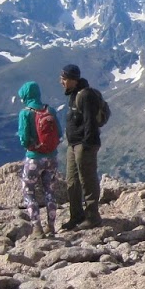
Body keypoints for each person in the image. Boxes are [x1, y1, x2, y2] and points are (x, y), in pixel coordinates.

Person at [58, 63, 105, 229]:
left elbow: (90, 122)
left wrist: (86, 144)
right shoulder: (73, 94)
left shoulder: (85, 96)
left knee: (87, 179)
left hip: (84, 145)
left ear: (73, 80)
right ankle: (76, 215)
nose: (61, 81)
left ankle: (92, 216)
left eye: (63, 78)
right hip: (73, 144)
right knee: (72, 181)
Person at [16, 80, 60, 237]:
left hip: (34, 158)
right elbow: (59, 133)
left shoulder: (26, 113)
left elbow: (23, 138)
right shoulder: (50, 110)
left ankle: (37, 227)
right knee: (50, 191)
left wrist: (31, 145)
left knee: (28, 190)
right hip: (52, 157)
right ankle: (51, 226)